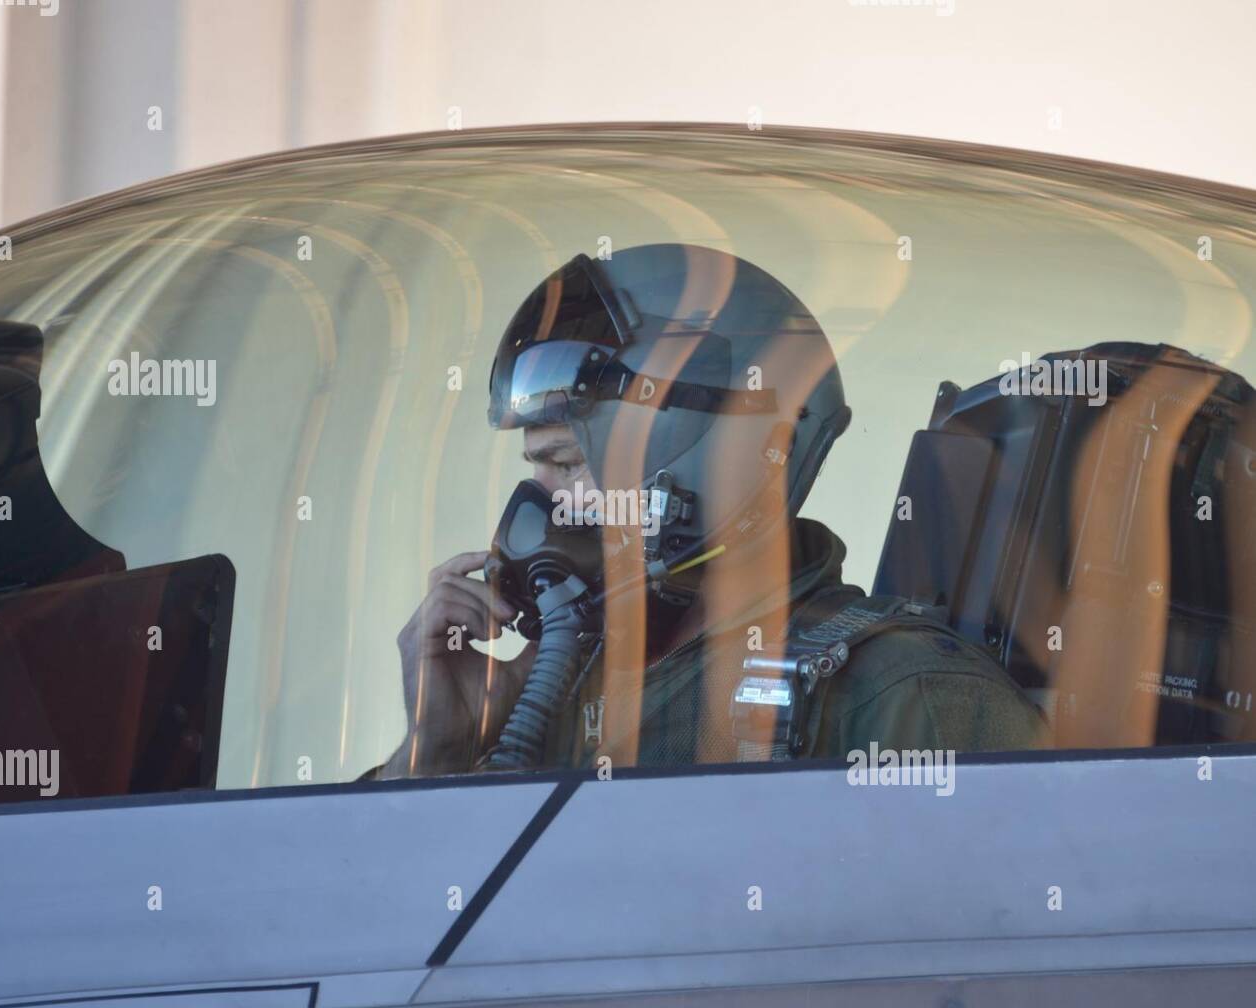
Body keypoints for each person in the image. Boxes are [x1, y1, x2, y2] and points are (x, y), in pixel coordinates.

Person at [366, 244, 1044, 779]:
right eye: (535, 470)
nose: (535, 510)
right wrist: (435, 753)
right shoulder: (548, 695)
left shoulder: (904, 699)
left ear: (697, 462)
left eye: (567, 465)